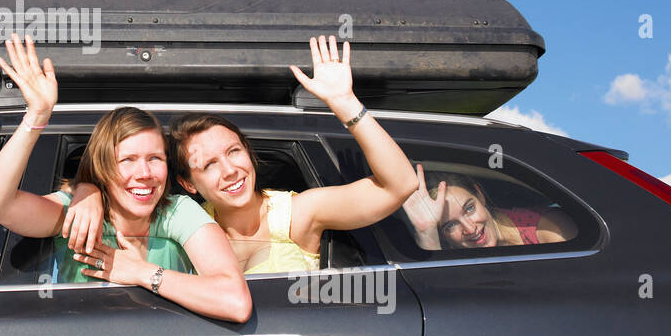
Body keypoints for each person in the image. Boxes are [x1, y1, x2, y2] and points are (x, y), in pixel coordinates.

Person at [61, 37, 418, 276]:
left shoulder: (297, 214)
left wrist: (345, 104)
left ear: (249, 153)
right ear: (188, 182)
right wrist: (87, 191)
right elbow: (121, 197)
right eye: (209, 165)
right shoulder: (185, 224)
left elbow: (400, 185)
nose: (230, 170)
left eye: (234, 152)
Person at [0, 35, 251, 324]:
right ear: (103, 166)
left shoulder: (177, 212)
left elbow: (235, 301)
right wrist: (37, 117)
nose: (144, 173)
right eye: (128, 160)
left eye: (155, 159)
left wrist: (141, 273)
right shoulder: (76, 212)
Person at [401, 167, 575, 251]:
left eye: (469, 209)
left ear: (480, 195)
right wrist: (426, 231)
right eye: (450, 226)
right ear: (444, 237)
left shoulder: (547, 228)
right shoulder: (456, 260)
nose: (470, 229)